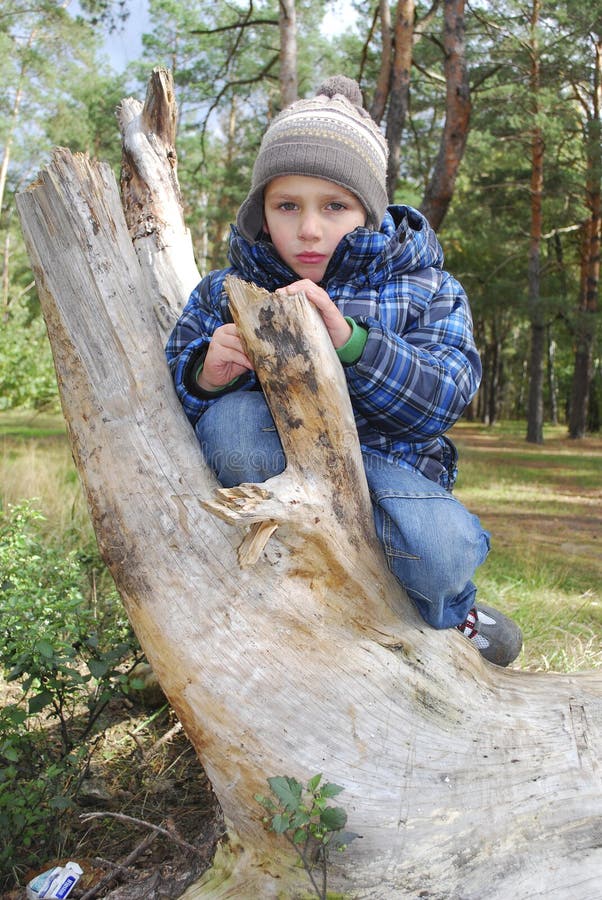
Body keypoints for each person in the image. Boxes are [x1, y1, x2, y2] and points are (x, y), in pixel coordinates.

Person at [166, 75, 523, 667]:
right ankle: (285, 602)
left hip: (391, 470)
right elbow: (174, 397)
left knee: (441, 550)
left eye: (335, 206)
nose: (309, 228)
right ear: (262, 212)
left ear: (369, 210)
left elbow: (443, 398)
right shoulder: (227, 290)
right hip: (280, 466)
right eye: (287, 206)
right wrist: (208, 373)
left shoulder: (423, 287)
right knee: (229, 424)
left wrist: (354, 345)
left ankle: (453, 611)